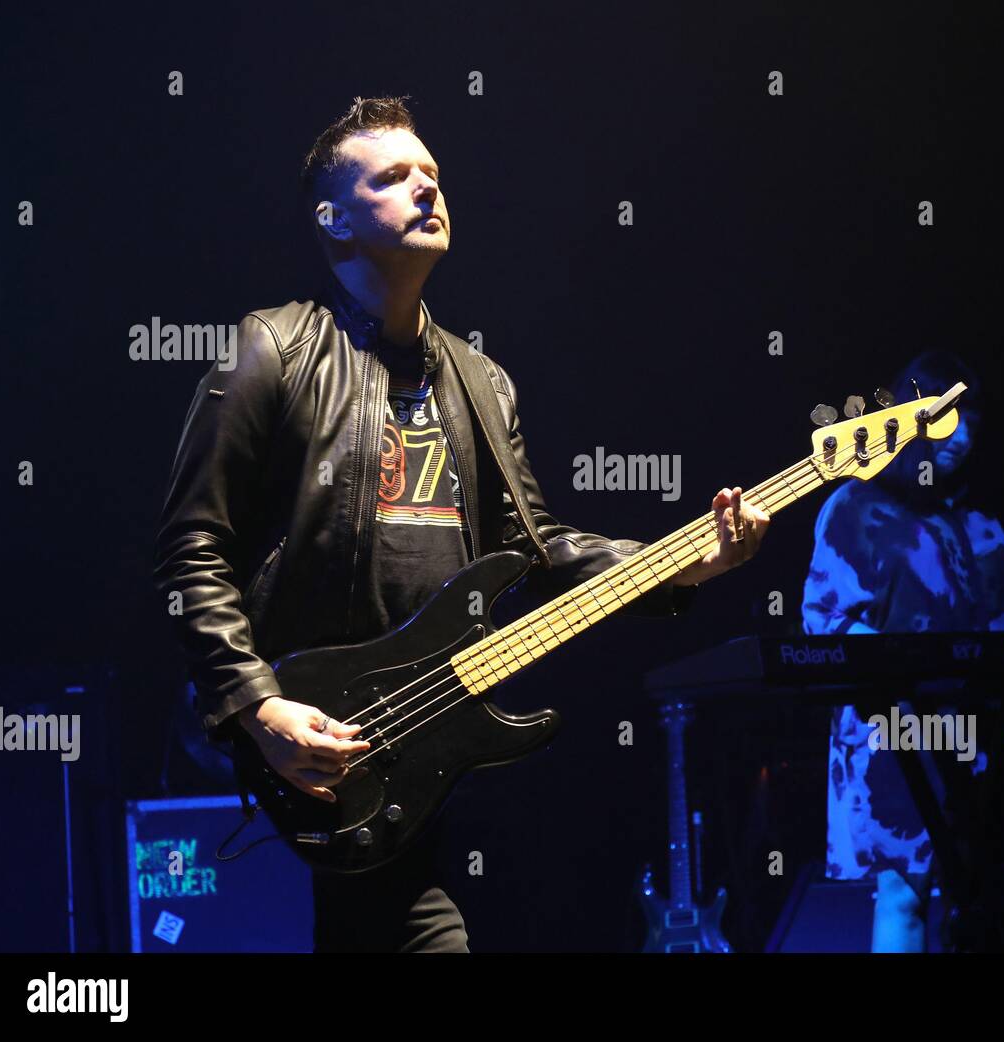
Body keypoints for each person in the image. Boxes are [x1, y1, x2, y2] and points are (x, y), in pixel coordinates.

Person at [153, 96, 770, 952]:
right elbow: (192, 549)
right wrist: (257, 705)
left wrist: (681, 564)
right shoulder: (275, 351)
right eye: (395, 176)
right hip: (312, 740)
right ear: (331, 219)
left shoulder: (482, 381)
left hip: (422, 754)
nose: (426, 189)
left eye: (433, 174)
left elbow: (536, 552)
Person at [800, 351, 1004, 952]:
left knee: (974, 893)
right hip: (888, 735)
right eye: (951, 420)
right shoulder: (856, 508)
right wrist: (907, 670)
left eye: (973, 419)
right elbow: (825, 622)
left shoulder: (981, 523)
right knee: (903, 891)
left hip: (973, 736)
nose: (965, 436)